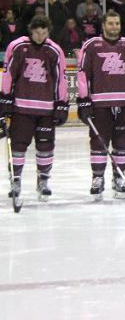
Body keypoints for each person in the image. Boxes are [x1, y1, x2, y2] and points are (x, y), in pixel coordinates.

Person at [76, 11, 125, 200]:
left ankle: (119, 177)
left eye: (117, 23)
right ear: (103, 25)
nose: (114, 26)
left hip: (124, 103)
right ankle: (97, 178)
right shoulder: (91, 46)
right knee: (99, 142)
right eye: (111, 23)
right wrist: (84, 100)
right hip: (100, 104)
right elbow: (83, 74)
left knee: (122, 143)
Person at [0, 16, 69, 201]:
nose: (40, 36)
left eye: (44, 32)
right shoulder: (18, 47)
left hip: (46, 109)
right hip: (21, 107)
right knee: (18, 146)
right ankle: (16, 181)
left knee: (45, 146)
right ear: (31, 30)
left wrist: (62, 103)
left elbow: (60, 79)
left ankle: (43, 180)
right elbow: (8, 74)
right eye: (37, 32)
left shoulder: (54, 50)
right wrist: (5, 98)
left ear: (48, 32)